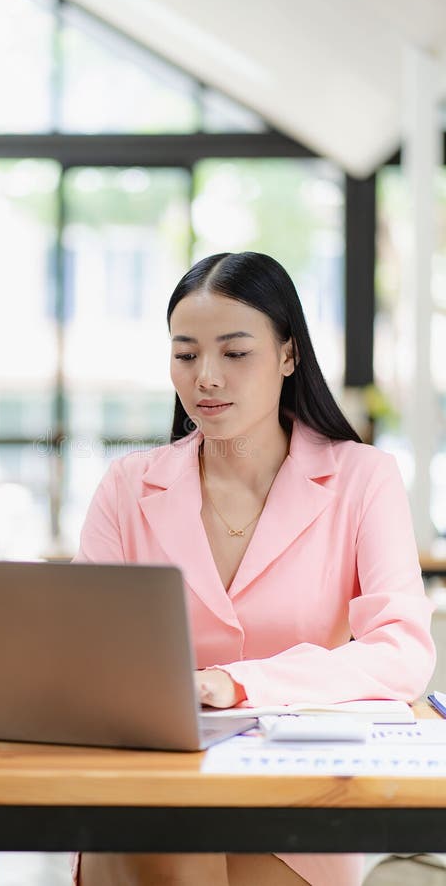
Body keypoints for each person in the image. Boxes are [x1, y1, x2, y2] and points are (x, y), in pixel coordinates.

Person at [71, 251, 436, 886]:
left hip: (294, 795)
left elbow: (402, 650)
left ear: (288, 356)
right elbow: (75, 644)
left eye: (235, 353)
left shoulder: (361, 477)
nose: (206, 377)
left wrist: (233, 683)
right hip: (154, 782)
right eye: (186, 356)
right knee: (166, 856)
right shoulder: (129, 485)